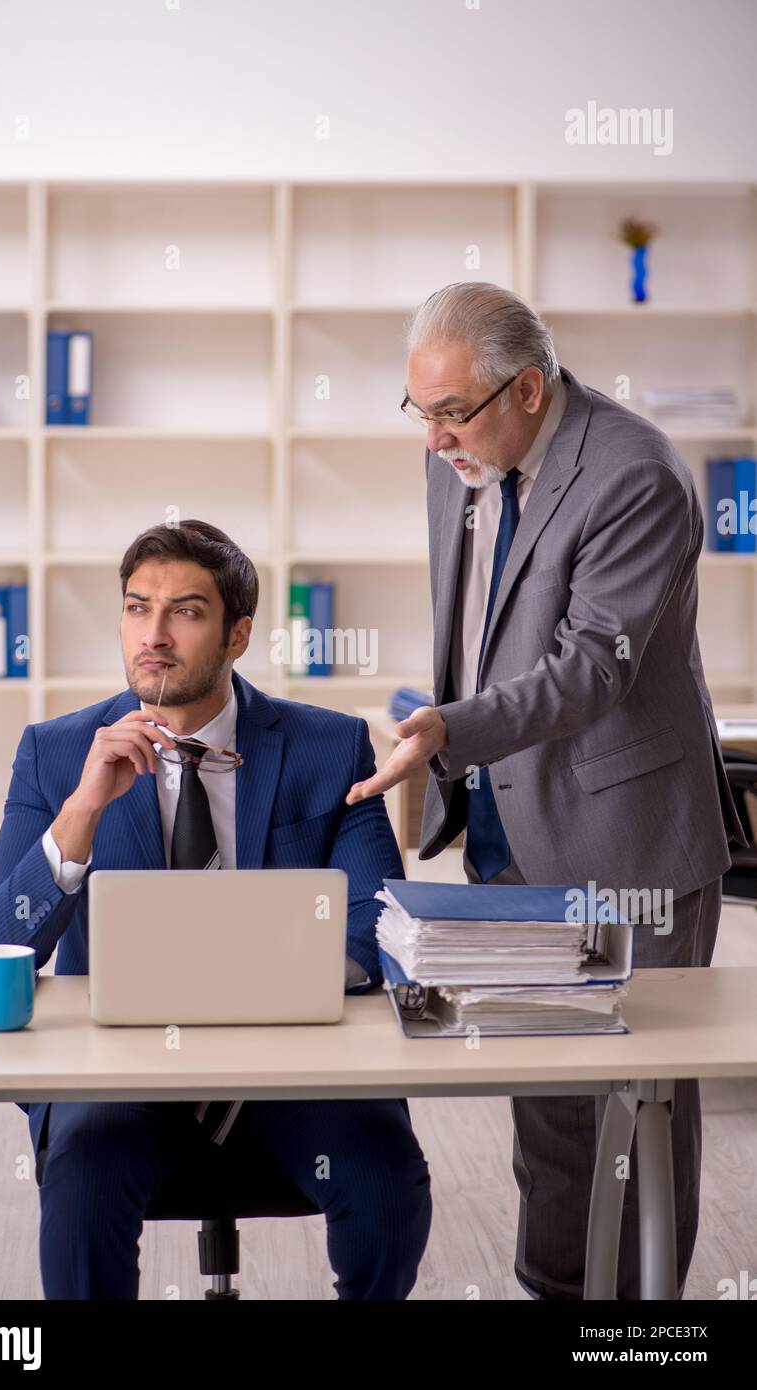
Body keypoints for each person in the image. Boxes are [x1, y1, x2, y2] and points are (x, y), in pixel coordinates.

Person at [345, 281, 747, 1300]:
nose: (433, 438)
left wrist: (451, 729)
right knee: (548, 1097)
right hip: (505, 817)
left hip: (625, 835)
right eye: (419, 409)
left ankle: (632, 1317)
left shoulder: (636, 477)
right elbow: (474, 616)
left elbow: (590, 669)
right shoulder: (461, 455)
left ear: (528, 389)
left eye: (451, 412)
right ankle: (555, 1296)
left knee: (634, 1100)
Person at [0, 519, 432, 1300]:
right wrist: (82, 811)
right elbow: (1, 937)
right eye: (135, 607)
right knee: (83, 1183)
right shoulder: (56, 752)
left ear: (237, 634)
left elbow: (375, 921)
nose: (152, 634)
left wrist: (246, 977)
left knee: (386, 1176)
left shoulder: (331, 747)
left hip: (295, 1071)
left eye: (184, 611)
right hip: (122, 1076)